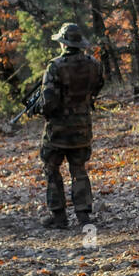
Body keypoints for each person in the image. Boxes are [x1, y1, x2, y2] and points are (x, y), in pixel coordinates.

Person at [37, 23, 105, 230]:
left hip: (58, 130)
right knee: (78, 169)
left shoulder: (55, 66)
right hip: (82, 127)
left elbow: (49, 101)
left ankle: (58, 216)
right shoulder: (94, 64)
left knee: (51, 168)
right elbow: (98, 87)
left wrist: (41, 109)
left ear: (63, 43)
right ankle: (83, 214)